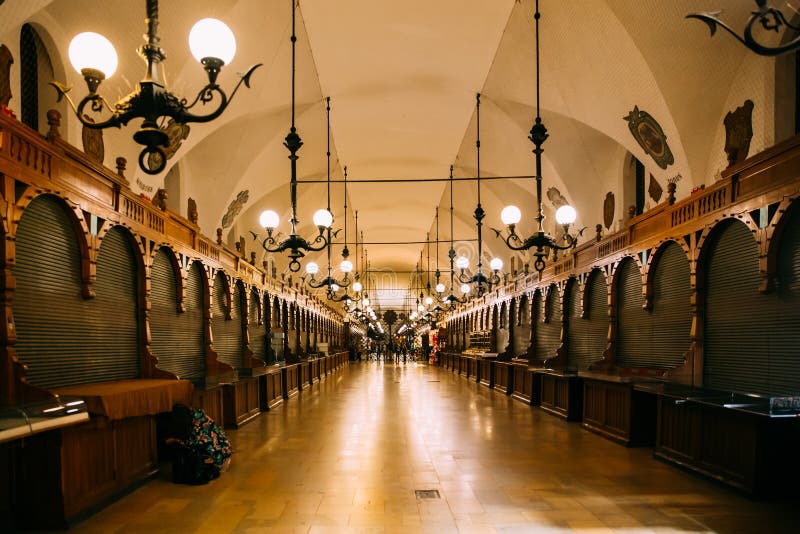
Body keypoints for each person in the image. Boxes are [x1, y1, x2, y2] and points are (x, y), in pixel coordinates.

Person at [158, 403, 233, 485]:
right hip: (225, 449)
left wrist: (174, 440)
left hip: (219, 461)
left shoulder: (194, 428)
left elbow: (194, 444)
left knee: (189, 451)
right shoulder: (198, 416)